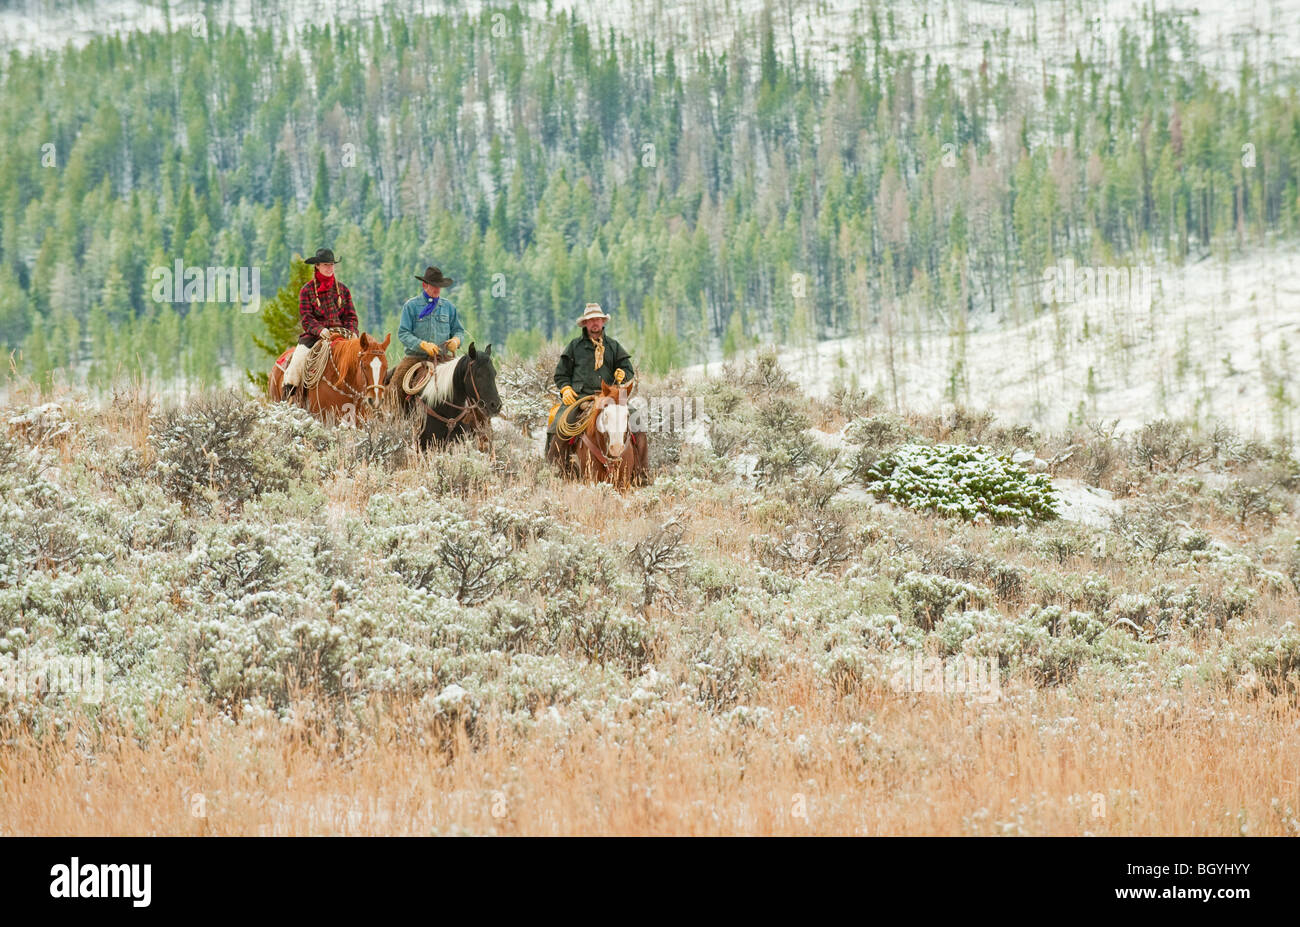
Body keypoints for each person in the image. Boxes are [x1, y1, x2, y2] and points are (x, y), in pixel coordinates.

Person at [548, 302, 641, 436]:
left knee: (636, 421)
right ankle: (554, 457)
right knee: (557, 425)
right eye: (591, 320)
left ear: (603, 321)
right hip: (580, 398)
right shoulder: (574, 346)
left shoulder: (613, 346)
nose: (594, 323)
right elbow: (561, 374)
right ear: (585, 323)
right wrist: (566, 388)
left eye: (597, 319)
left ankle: (640, 457)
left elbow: (628, 369)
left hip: (610, 397)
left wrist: (623, 374)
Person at [282, 248, 358, 401]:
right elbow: (306, 318)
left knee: (363, 361)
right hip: (314, 337)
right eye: (325, 265)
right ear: (317, 266)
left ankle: (365, 399)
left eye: (331, 265)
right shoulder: (307, 290)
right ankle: (287, 402)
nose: (329, 268)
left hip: (342, 337)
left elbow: (350, 316)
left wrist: (351, 331)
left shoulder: (343, 289)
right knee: (296, 364)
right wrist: (320, 330)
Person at [387, 265, 468, 399]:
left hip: (443, 359)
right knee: (396, 388)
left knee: (466, 384)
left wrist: (456, 340)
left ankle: (472, 417)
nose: (437, 289)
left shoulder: (448, 307)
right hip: (415, 358)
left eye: (439, 286)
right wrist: (422, 345)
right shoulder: (411, 306)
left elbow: (458, 330)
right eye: (434, 285)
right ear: (425, 285)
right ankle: (396, 416)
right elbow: (403, 333)